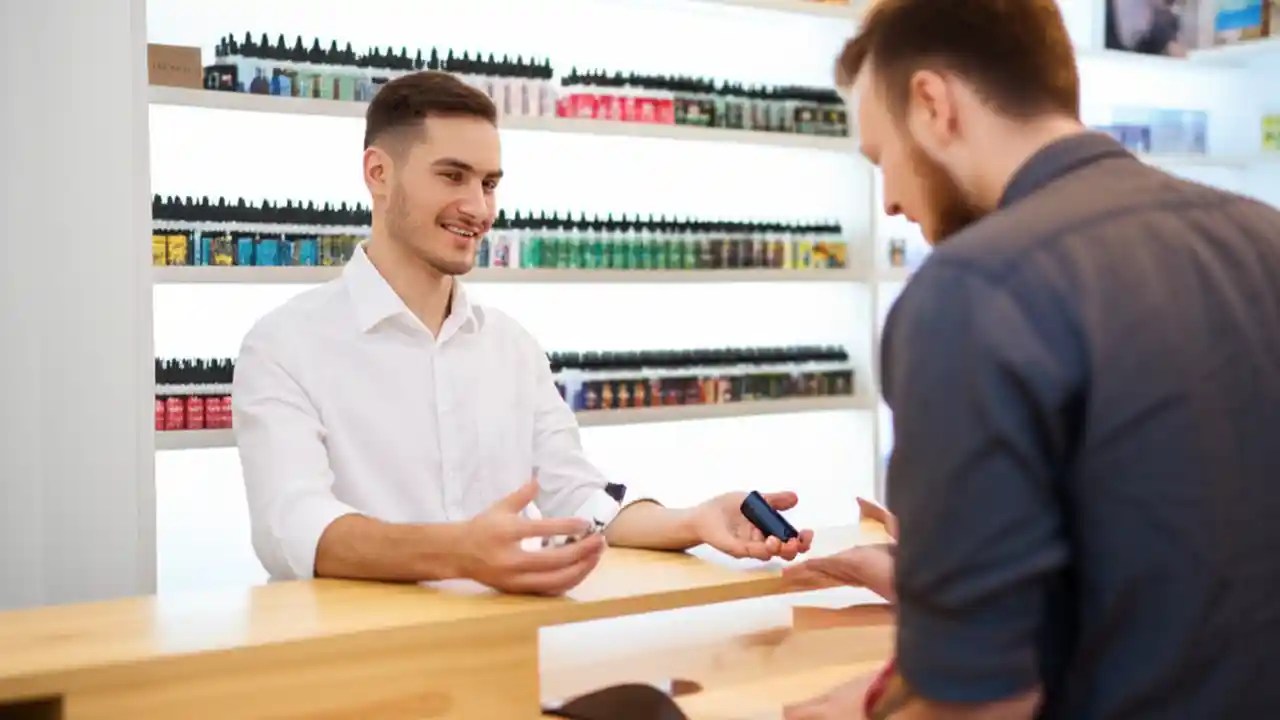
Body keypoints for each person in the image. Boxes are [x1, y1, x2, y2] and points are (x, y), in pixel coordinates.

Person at [782, 0, 1280, 717]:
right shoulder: (1259, 238)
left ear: (932, 103)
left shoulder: (973, 293)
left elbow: (984, 704)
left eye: (881, 159)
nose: (888, 200)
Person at [231, 70, 813, 596]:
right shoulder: (284, 346)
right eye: (453, 176)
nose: (478, 208)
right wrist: (459, 552)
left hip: (507, 656)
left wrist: (693, 520)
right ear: (378, 174)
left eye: (489, 183)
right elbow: (293, 529)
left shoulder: (510, 346)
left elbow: (578, 497)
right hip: (354, 671)